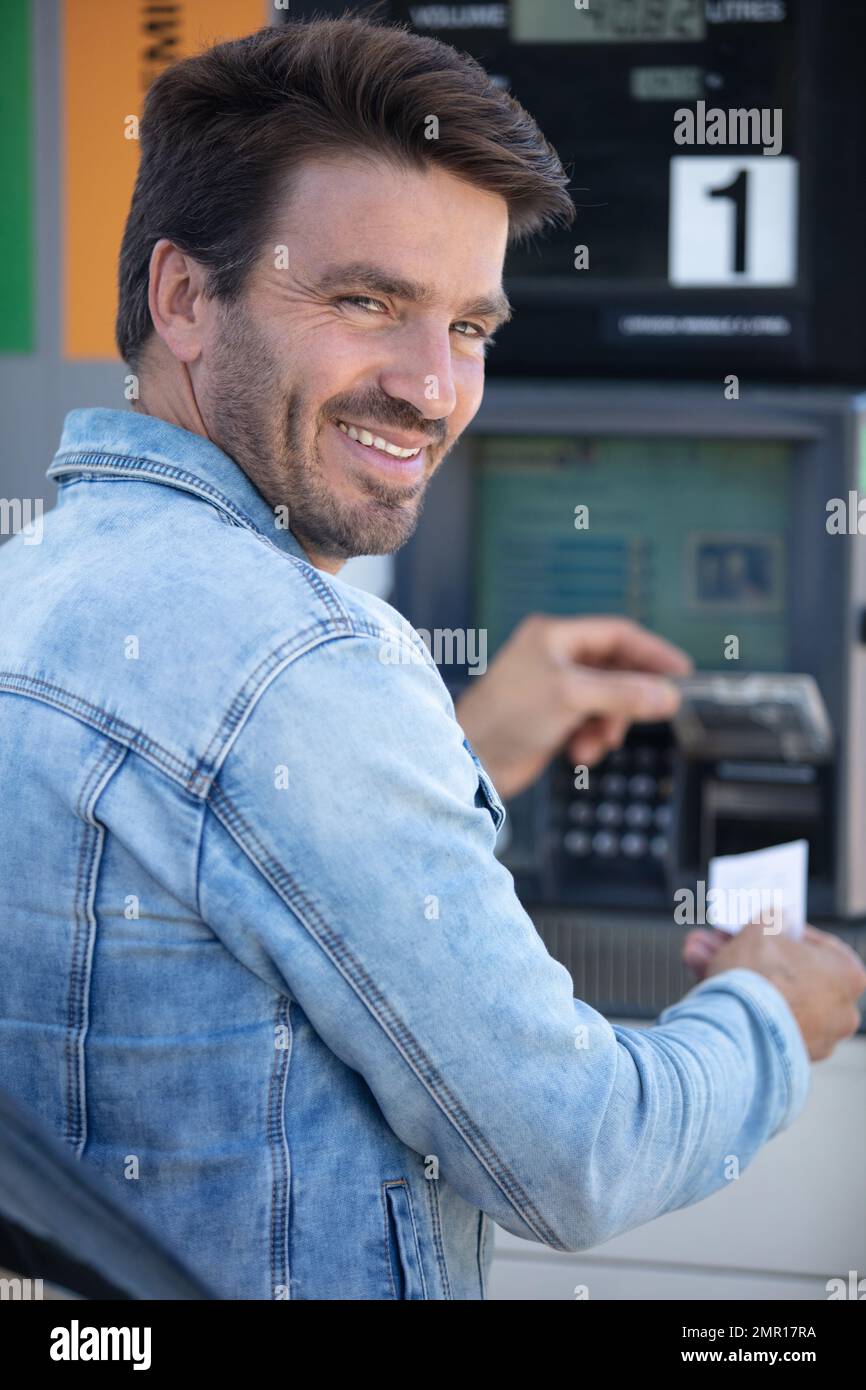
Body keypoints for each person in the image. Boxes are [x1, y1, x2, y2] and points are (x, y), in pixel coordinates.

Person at [0, 16, 862, 1301]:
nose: (430, 387)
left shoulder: (39, 578)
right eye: (364, 302)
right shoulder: (301, 660)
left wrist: (465, 754)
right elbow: (576, 1153)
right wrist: (773, 1015)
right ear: (185, 298)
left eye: (469, 326)